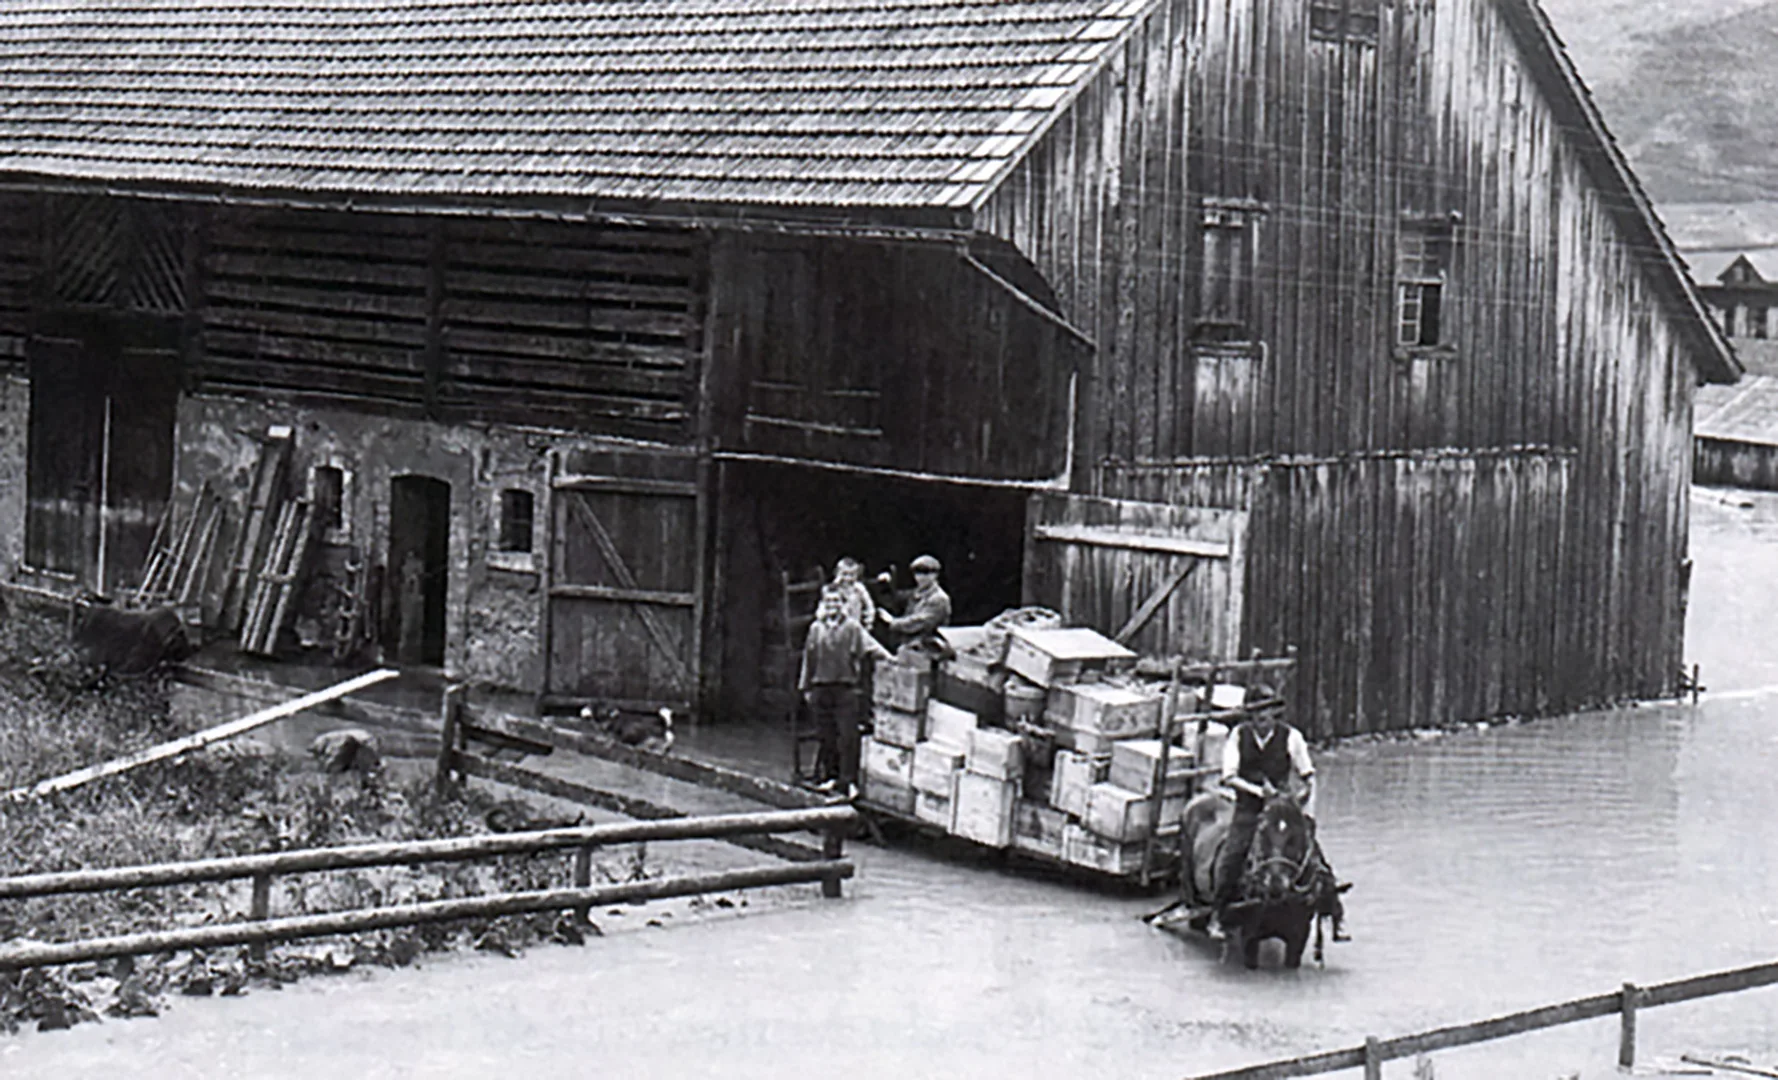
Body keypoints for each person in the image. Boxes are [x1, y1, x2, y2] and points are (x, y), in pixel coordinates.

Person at [1207, 684, 1316, 940]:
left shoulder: (1292, 737)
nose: (1261, 718)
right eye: (1256, 713)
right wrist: (1257, 792)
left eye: (1266, 712)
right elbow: (1229, 777)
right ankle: (1217, 914)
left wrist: (1306, 810)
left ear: (1274, 713)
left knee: (1311, 852)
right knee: (1232, 854)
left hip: (1283, 809)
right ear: (1249, 716)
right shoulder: (1238, 735)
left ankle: (1324, 900)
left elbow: (1309, 776)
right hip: (1249, 808)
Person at [800, 585, 892, 797]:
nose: (833, 606)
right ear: (823, 604)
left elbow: (870, 647)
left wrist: (890, 659)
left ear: (843, 605)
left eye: (837, 602)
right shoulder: (816, 628)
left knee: (848, 736)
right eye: (829, 601)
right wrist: (805, 686)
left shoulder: (852, 628)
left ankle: (848, 780)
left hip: (845, 688)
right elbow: (809, 658)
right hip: (821, 686)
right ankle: (830, 776)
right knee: (826, 735)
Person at [877, 553, 952, 652]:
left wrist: (892, 622)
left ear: (935, 575)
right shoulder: (917, 592)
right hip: (911, 645)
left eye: (926, 572)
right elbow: (896, 598)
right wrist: (886, 584)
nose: (921, 577)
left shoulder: (939, 599)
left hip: (930, 647)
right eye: (917, 573)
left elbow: (919, 623)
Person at [830, 557, 876, 628]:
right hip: (836, 627)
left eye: (852, 575)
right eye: (844, 574)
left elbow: (869, 606)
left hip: (856, 626)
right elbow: (822, 610)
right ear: (837, 573)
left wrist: (868, 622)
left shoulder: (859, 589)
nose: (848, 578)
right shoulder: (833, 589)